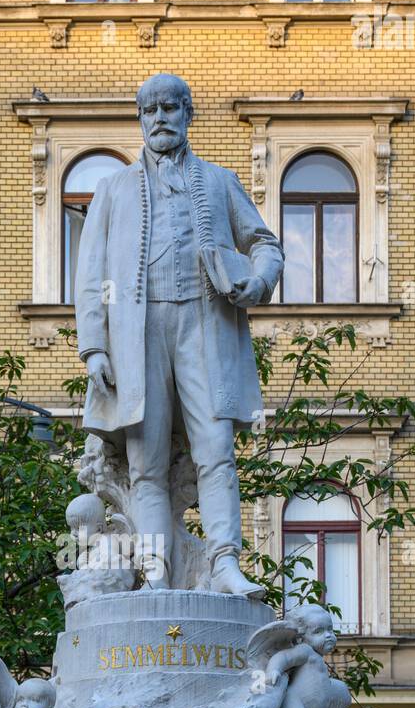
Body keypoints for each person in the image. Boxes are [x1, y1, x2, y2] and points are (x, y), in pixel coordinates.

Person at [74, 72, 284, 596]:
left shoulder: (219, 180)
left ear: (188, 114)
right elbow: (91, 275)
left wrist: (257, 282)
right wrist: (94, 346)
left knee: (216, 450)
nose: (160, 118)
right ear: (140, 119)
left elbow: (265, 243)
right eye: (150, 111)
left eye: (171, 108)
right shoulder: (113, 188)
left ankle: (224, 564)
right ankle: (155, 574)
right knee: (145, 464)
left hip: (205, 326)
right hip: (136, 335)